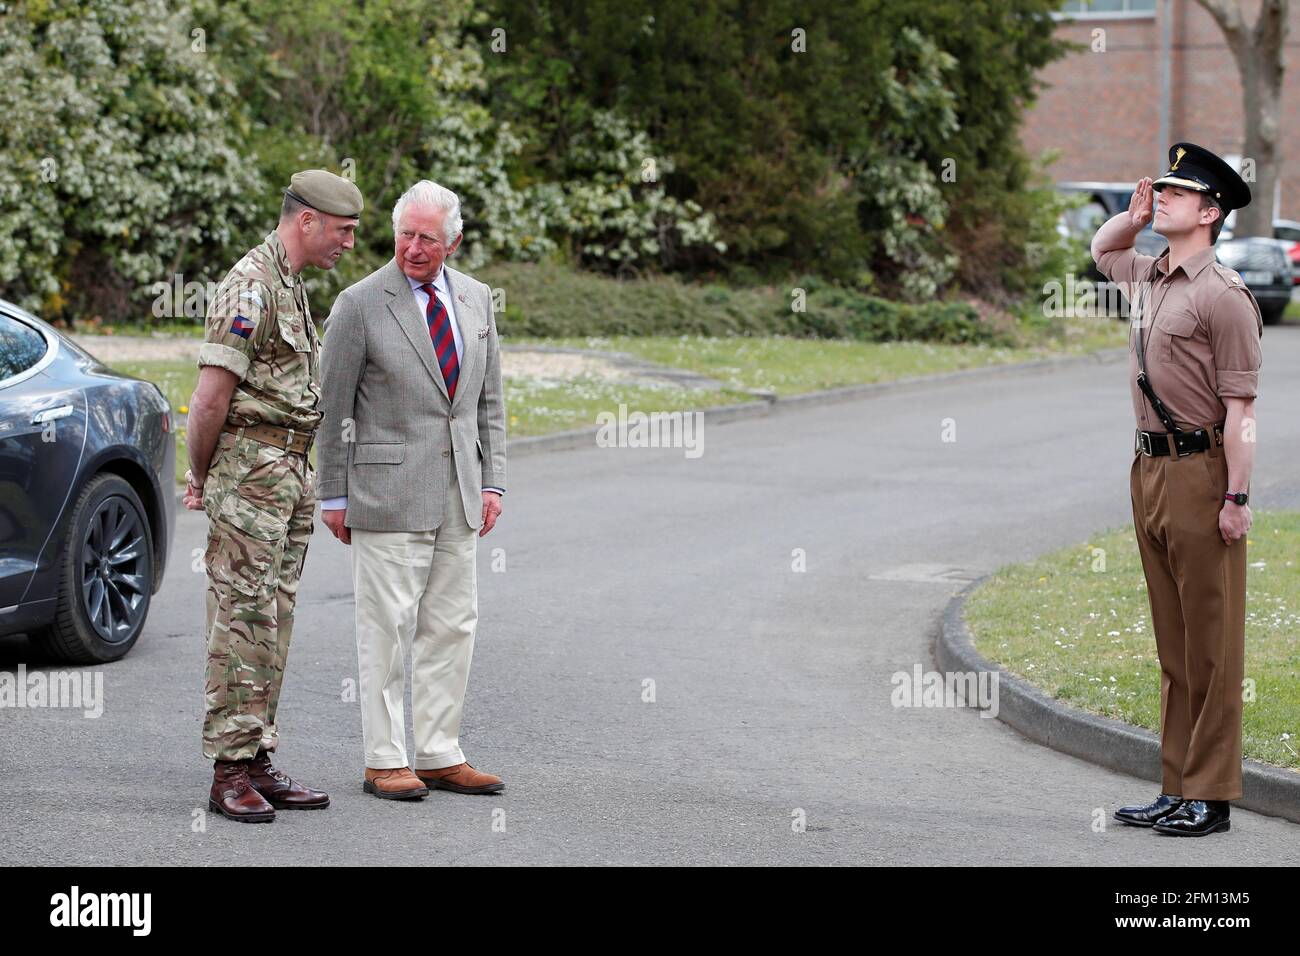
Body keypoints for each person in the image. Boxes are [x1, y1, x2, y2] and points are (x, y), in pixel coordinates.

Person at [317, 179, 507, 801]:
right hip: (384, 492)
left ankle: (439, 752)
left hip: (461, 490)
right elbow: (332, 407)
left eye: (427, 237)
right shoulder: (360, 304)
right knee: (388, 631)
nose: (414, 248)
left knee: (453, 625)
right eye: (405, 234)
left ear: (452, 241)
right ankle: (383, 759)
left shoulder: (478, 300)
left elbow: (489, 402)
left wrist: (494, 480)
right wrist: (334, 495)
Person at [1091, 143, 1261, 837]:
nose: (1162, 198)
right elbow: (1103, 252)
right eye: (1159, 190)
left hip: (1202, 474)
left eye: (1175, 194)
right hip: (1149, 471)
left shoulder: (1223, 296)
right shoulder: (1152, 275)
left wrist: (1237, 499)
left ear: (1211, 211)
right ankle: (1175, 783)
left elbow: (1243, 410)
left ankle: (1211, 797)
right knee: (1174, 642)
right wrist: (1131, 220)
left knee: (1212, 645)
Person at [185, 169, 362, 822]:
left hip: (290, 474)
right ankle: (228, 769)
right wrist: (203, 476)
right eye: (342, 231)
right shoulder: (250, 285)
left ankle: (257, 755)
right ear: (307, 221)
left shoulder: (292, 285)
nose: (348, 243)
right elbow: (209, 399)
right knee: (241, 620)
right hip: (250, 475)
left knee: (274, 618)